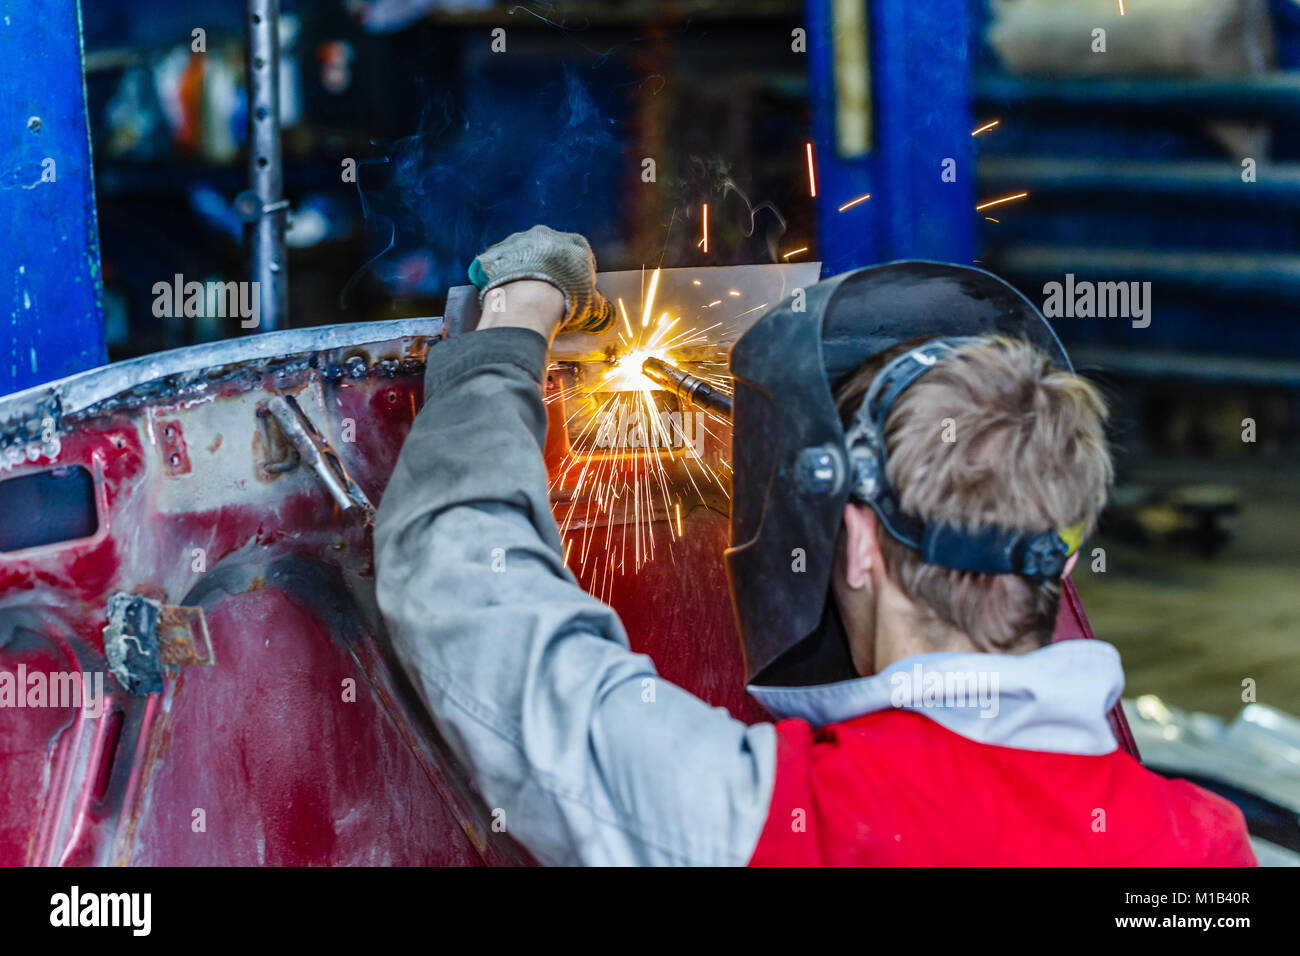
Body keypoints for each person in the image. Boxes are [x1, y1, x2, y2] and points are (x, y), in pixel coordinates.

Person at [373, 225, 1256, 866]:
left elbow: (465, 581)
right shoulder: (1205, 849)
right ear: (1061, 559)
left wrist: (513, 323)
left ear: (860, 545)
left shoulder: (767, 822)